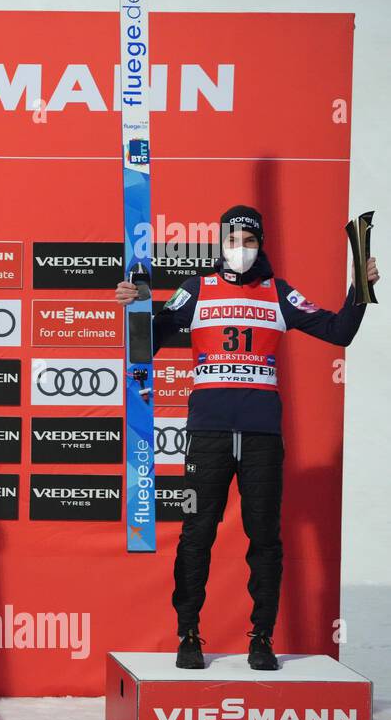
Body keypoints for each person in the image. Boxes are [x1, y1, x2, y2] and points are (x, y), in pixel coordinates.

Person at [116, 205, 378, 670]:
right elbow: (146, 344)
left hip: (261, 437)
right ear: (221, 244)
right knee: (196, 534)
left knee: (265, 539)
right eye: (233, 241)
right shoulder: (195, 289)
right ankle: (189, 635)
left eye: (249, 241)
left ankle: (262, 637)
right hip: (208, 436)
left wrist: (362, 286)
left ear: (261, 245)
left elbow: (340, 332)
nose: (241, 250)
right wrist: (135, 305)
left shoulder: (279, 293)